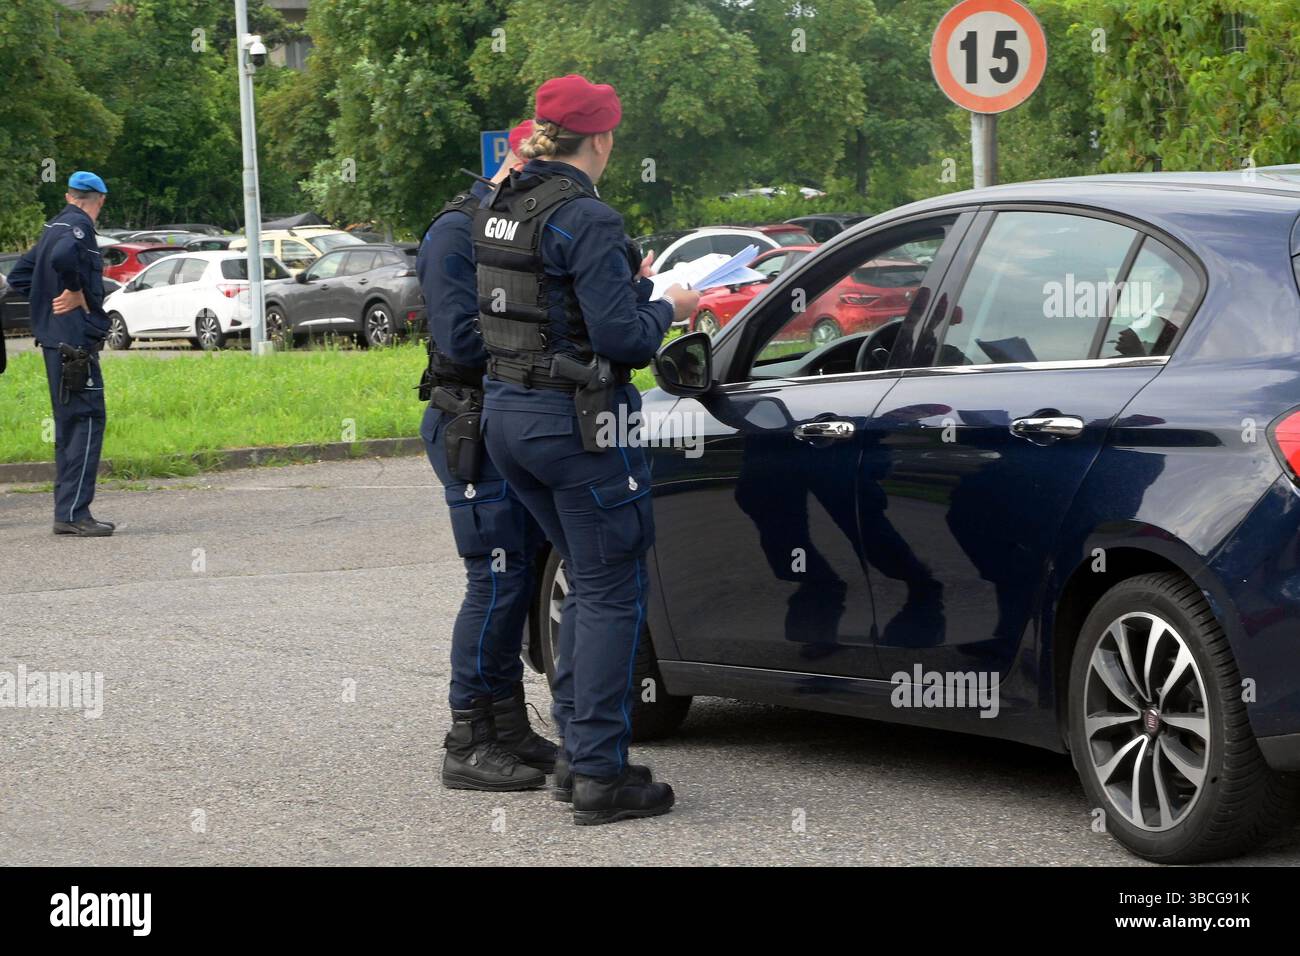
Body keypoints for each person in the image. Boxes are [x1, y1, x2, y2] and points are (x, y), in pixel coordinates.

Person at [474, 75, 699, 824]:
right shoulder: (587, 216)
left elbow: (544, 307)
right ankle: (599, 773)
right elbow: (626, 340)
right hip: (577, 425)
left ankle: (579, 756)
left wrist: (618, 289)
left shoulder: (501, 204)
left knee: (581, 577)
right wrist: (671, 304)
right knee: (608, 590)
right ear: (602, 138)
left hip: (508, 416)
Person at [418, 121, 559, 792]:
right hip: (470, 422)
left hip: (510, 419)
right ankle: (467, 739)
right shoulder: (457, 229)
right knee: (496, 580)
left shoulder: (512, 225)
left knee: (520, 575)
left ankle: (506, 726)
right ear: (517, 161)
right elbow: (462, 341)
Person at [8, 172, 114, 536]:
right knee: (85, 423)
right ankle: (73, 515)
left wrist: (44, 305)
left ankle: (67, 512)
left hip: (56, 344)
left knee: (69, 427)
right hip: (75, 347)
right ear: (98, 199)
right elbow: (66, 256)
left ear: (70, 195)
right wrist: (73, 292)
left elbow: (21, 275)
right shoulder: (77, 229)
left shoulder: (53, 226)